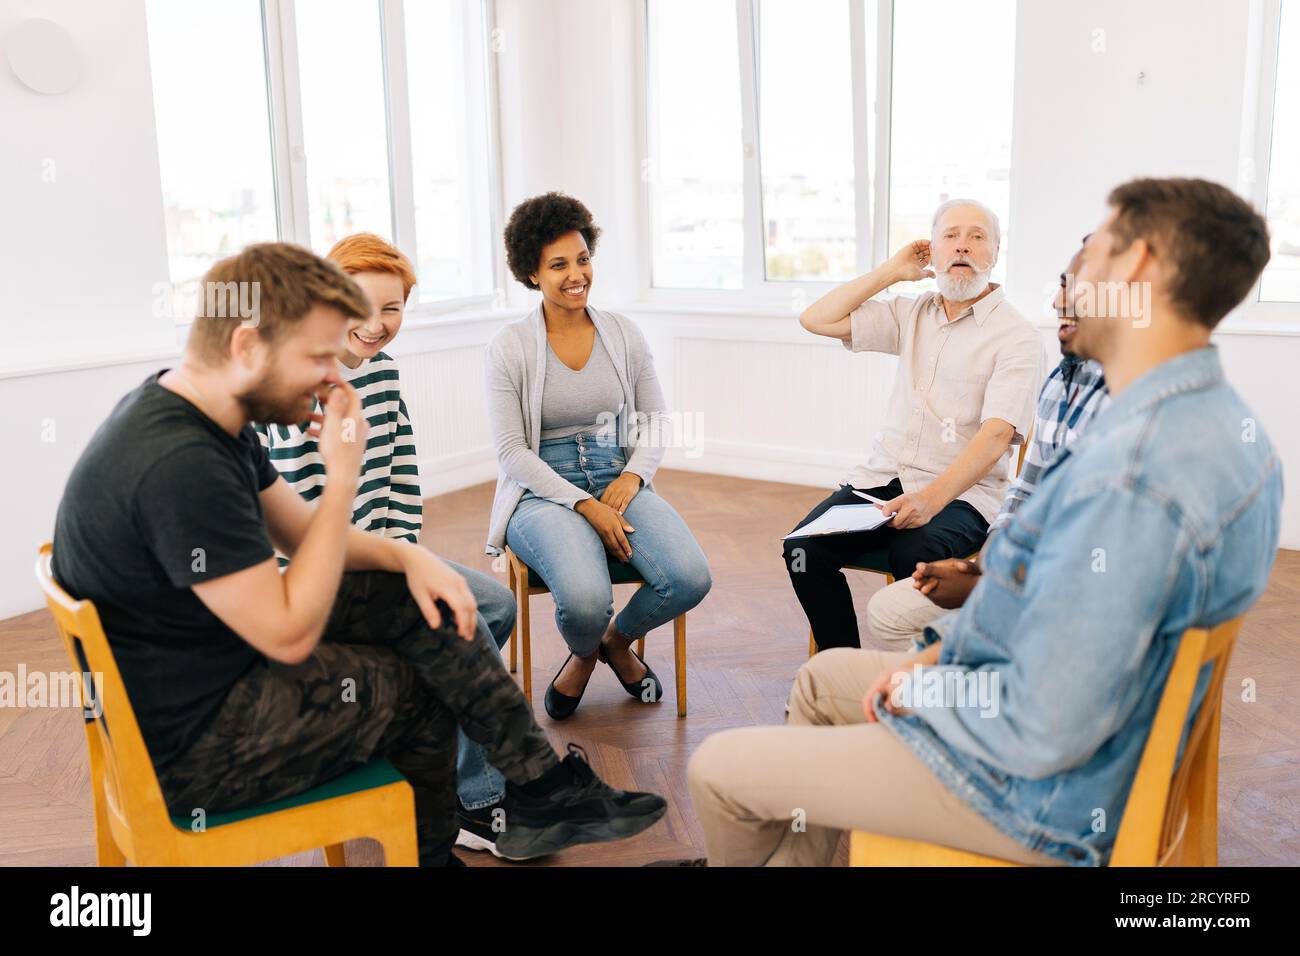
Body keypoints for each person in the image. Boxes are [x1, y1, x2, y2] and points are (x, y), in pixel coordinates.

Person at [680, 177, 1282, 867]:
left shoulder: (1134, 470)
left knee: (719, 769)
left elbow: (1048, 721)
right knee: (821, 680)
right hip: (1042, 720)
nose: (1072, 277)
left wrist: (930, 691)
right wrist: (938, 657)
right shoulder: (1211, 425)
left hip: (1032, 794)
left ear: (1138, 265)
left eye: (1096, 249)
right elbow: (1051, 610)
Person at [52, 242, 666, 867]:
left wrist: (413, 561)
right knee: (428, 686)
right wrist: (341, 474)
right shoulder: (182, 465)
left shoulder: (198, 409)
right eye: (318, 357)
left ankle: (537, 787)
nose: (332, 376)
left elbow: (300, 535)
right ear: (246, 348)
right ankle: (493, 814)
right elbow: (289, 634)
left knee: (420, 603)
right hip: (197, 748)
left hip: (209, 674)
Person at [252, 233, 519, 858]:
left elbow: (402, 470)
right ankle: (478, 804)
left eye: (392, 308)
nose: (376, 324)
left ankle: (421, 741)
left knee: (495, 607)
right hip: (314, 579)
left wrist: (404, 550)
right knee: (463, 628)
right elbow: (300, 521)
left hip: (380, 556)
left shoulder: (383, 371)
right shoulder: (299, 387)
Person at [485, 192, 712, 720]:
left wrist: (633, 477)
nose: (576, 274)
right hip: (542, 489)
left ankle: (612, 641)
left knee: (689, 577)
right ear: (532, 273)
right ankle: (588, 647)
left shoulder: (624, 334)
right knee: (584, 603)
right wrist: (585, 505)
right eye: (558, 264)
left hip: (616, 475)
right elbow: (512, 452)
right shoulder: (509, 347)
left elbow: (654, 420)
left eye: (582, 258)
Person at [791, 199, 1044, 649]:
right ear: (933, 251)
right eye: (950, 236)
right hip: (882, 480)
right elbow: (816, 319)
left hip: (962, 494)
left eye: (977, 237)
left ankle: (918, 677)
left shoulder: (1017, 336)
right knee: (802, 550)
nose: (962, 246)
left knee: (914, 554)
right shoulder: (910, 312)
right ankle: (840, 668)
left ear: (995, 252)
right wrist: (891, 271)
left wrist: (929, 500)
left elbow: (997, 435)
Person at [866, 238, 1111, 649]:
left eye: (1074, 288)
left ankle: (931, 694)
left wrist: (1003, 586)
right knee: (885, 611)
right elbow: (1025, 495)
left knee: (825, 687)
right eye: (1061, 287)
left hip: (1068, 600)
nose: (1055, 303)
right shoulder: (1065, 383)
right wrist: (985, 569)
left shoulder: (1147, 409)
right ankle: (927, 694)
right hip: (1021, 573)